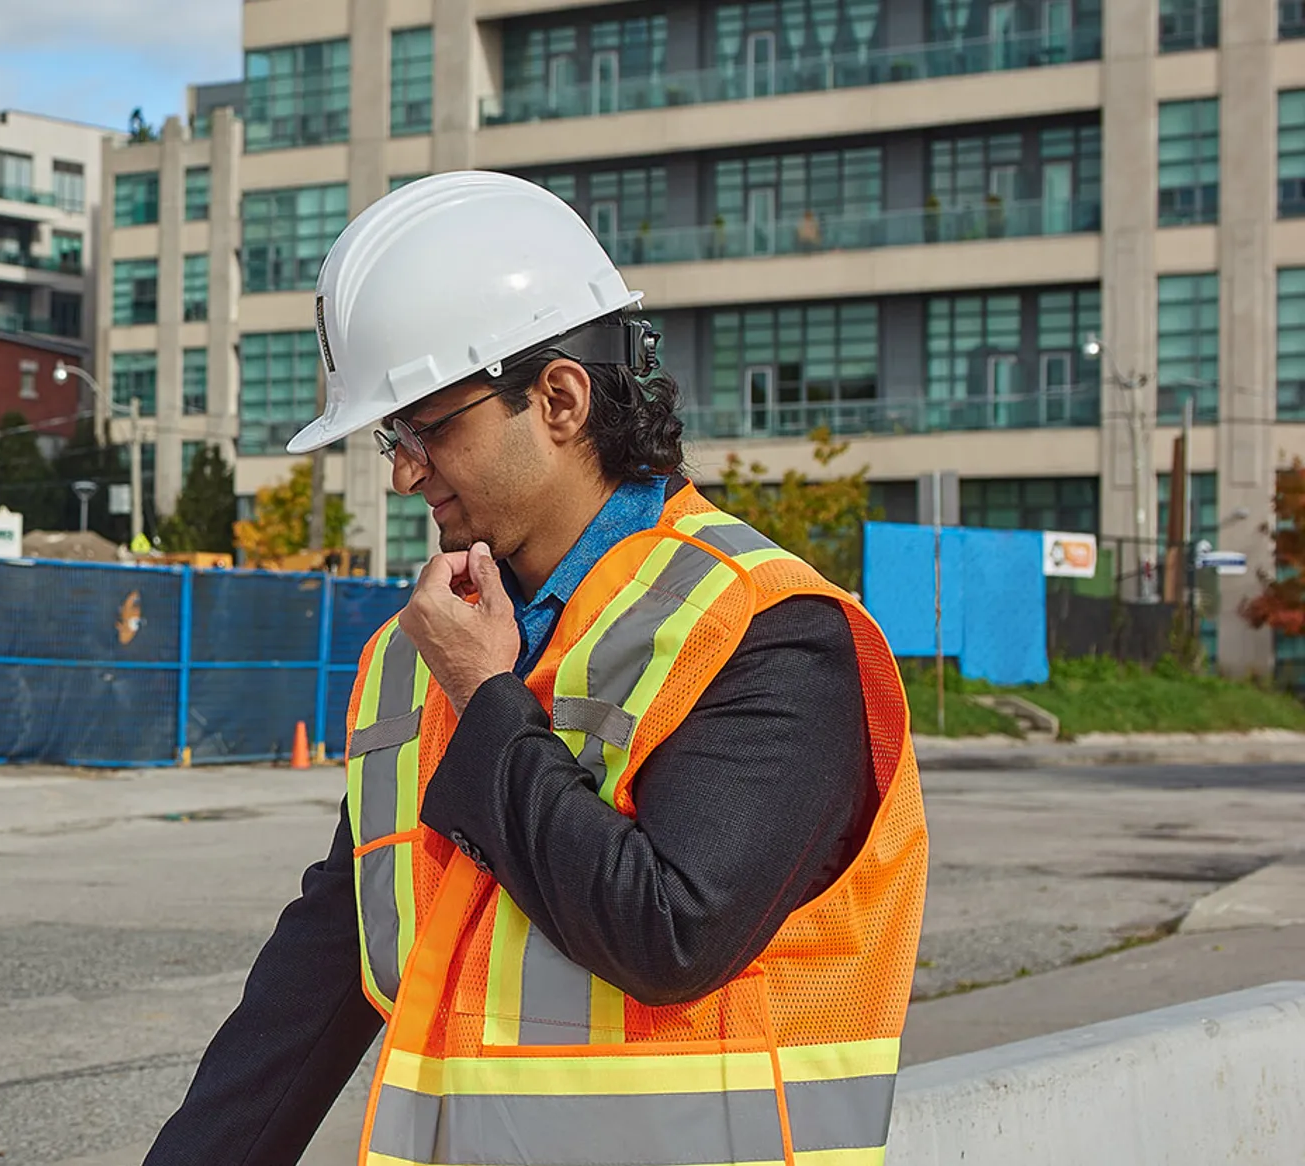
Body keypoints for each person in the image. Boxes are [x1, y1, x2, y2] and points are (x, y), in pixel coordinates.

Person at [143, 171, 927, 1166]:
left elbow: (669, 934)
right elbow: (321, 970)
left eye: (428, 425)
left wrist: (486, 701)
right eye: (396, 433)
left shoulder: (768, 629)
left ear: (559, 397)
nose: (403, 468)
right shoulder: (419, 654)